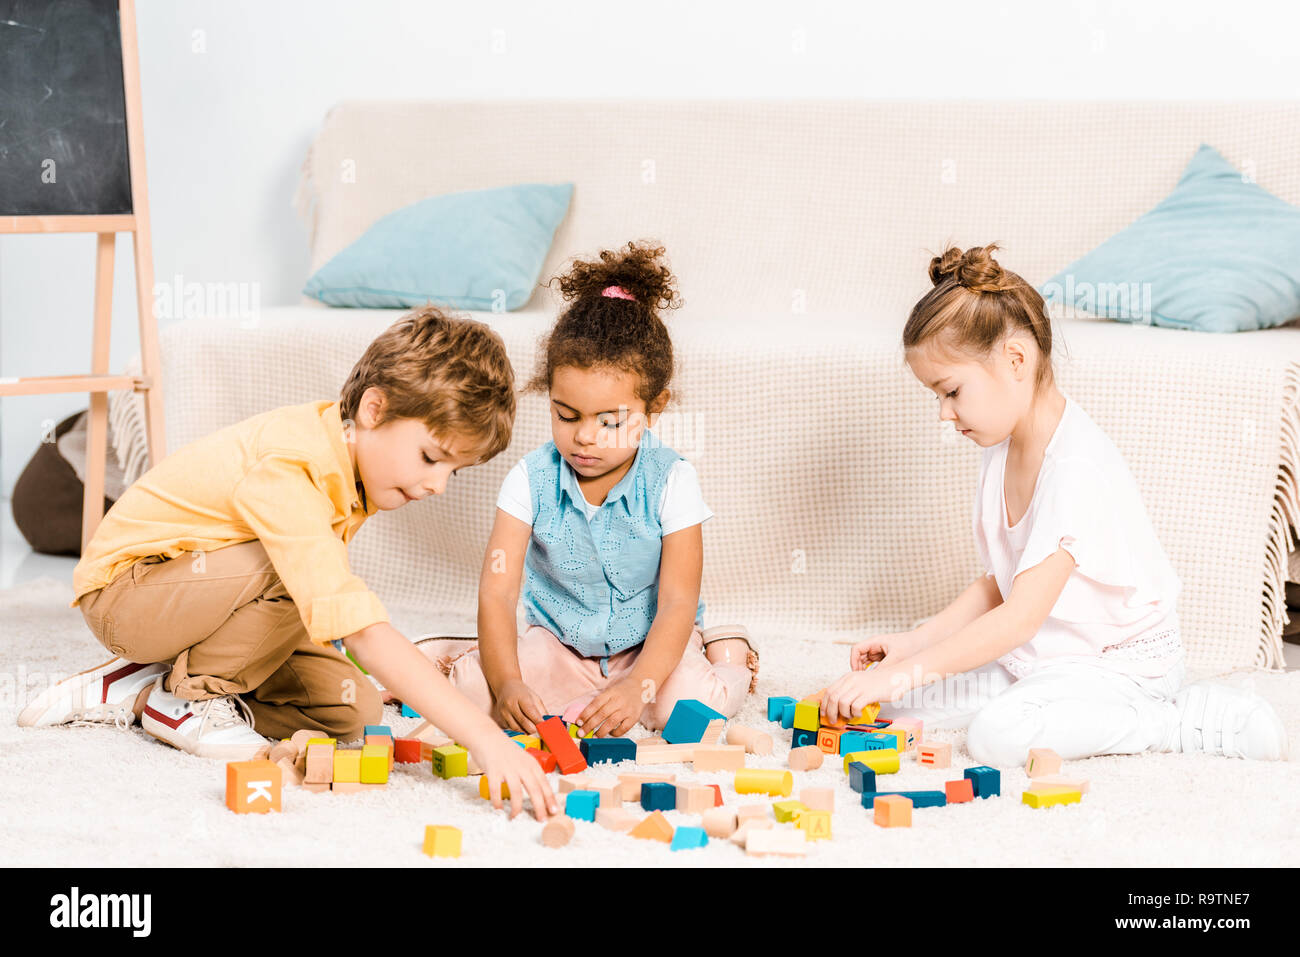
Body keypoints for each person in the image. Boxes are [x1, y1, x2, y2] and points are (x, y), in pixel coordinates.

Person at [18, 306, 558, 819]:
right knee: (292, 563)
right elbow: (359, 627)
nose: (437, 485)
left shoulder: (352, 469)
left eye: (453, 472)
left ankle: (141, 688)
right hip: (127, 597)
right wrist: (485, 740)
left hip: (200, 603)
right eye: (431, 458)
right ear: (374, 409)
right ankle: (180, 698)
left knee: (356, 712)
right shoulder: (290, 468)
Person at [823, 244, 1287, 766]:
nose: (943, 414)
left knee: (997, 737)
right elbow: (1003, 583)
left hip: (1115, 666)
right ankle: (1020, 693)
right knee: (908, 704)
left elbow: (1017, 619)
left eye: (950, 392)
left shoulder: (1075, 471)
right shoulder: (1002, 443)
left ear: (1016, 360)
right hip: (1047, 654)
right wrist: (913, 646)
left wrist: (903, 671)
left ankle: (1172, 719)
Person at [425, 241, 758, 737]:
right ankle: (468, 655)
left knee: (685, 714)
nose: (584, 436)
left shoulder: (672, 480)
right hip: (561, 645)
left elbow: (676, 602)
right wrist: (509, 680)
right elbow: (497, 593)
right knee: (477, 693)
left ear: (655, 407)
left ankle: (728, 655)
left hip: (652, 646)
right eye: (566, 415)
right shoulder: (530, 478)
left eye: (610, 421)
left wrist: (640, 684)